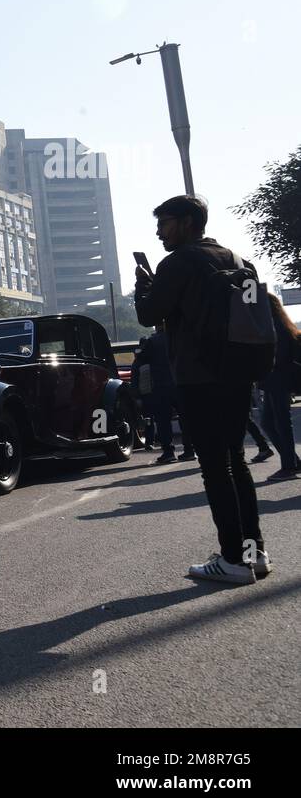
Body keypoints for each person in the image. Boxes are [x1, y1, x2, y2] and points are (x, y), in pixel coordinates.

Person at [134, 194, 269, 584]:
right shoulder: (240, 260)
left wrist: (145, 288)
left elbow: (147, 315)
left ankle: (232, 560)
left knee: (215, 468)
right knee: (235, 461)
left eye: (166, 222)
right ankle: (252, 552)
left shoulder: (177, 263)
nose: (159, 231)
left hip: (198, 375)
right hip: (238, 371)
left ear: (188, 223)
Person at [260, 292, 300, 480]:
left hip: (277, 378)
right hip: (275, 380)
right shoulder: (283, 324)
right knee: (270, 422)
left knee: (281, 423)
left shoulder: (274, 327)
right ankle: (292, 461)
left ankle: (289, 466)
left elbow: (277, 358)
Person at [141, 327, 178, 464]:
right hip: (180, 382)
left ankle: (169, 452)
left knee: (163, 421)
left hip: (161, 385)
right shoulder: (179, 336)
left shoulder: (153, 341)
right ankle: (189, 450)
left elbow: (142, 359)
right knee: (186, 420)